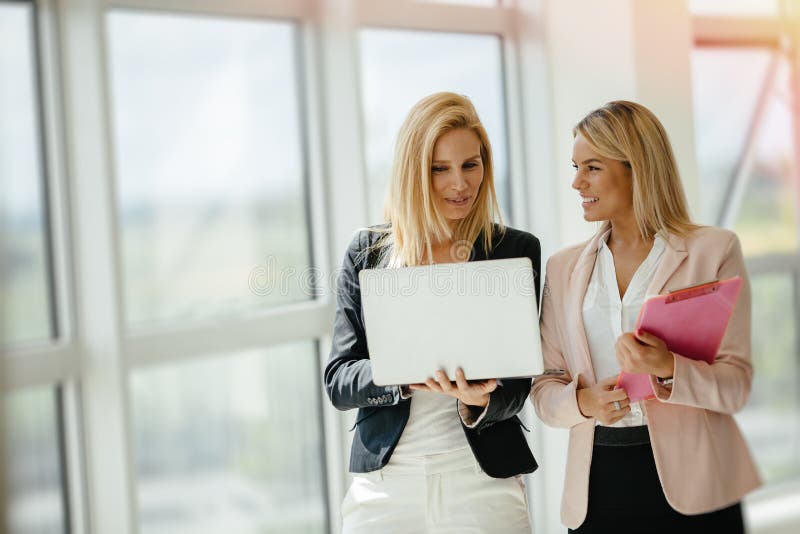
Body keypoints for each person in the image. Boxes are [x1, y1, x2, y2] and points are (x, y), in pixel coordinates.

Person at [530, 100, 761, 533]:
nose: (577, 182)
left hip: (697, 489)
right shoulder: (562, 270)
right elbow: (544, 386)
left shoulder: (713, 251)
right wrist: (582, 403)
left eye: (592, 167)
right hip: (597, 488)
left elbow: (736, 387)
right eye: (575, 166)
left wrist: (667, 368)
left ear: (636, 168)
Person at [325, 92, 540, 533]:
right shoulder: (368, 253)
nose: (459, 184)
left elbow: (520, 383)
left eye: (470, 165)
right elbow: (339, 380)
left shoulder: (513, 251)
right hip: (386, 485)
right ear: (413, 174)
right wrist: (400, 374)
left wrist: (479, 400)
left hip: (481, 480)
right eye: (439, 169)